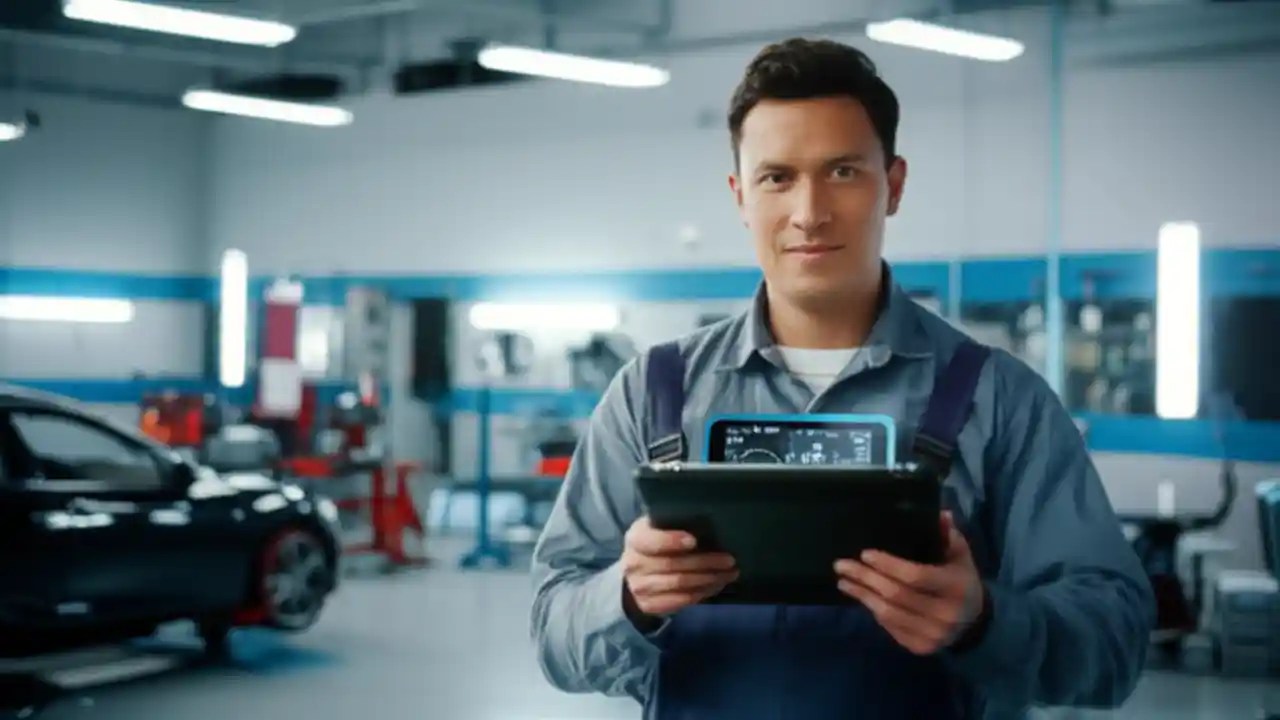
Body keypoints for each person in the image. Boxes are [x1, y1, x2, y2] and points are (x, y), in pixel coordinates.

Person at [529, 37, 1154, 720]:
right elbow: (555, 631)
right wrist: (628, 594)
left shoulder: (999, 399)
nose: (809, 211)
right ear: (740, 196)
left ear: (895, 184)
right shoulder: (652, 395)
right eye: (777, 177)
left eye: (844, 172)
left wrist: (984, 621)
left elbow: (1114, 644)